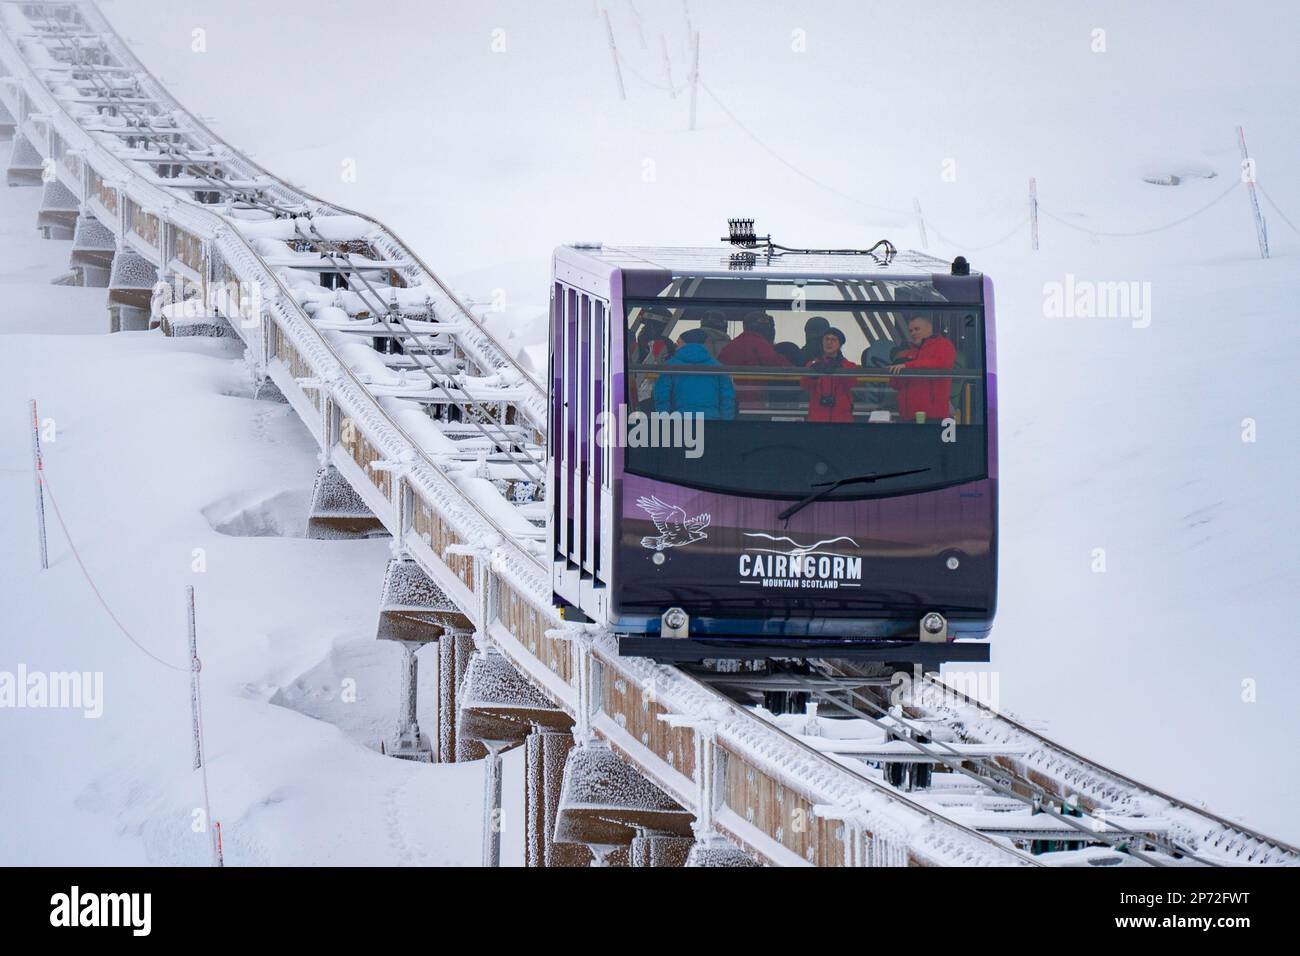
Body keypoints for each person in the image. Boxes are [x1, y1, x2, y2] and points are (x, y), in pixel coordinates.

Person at [718, 311, 793, 412]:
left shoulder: (731, 346)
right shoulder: (760, 344)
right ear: (764, 327)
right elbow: (781, 367)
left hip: (730, 401)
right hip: (753, 401)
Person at [654, 328, 737, 419]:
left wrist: (665, 420)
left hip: (680, 421)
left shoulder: (669, 366)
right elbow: (727, 398)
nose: (676, 347)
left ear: (684, 343)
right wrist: (725, 423)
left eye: (678, 343)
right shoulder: (717, 367)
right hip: (712, 420)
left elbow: (662, 396)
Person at [888, 315, 957, 421]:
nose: (913, 333)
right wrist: (895, 370)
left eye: (917, 329)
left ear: (929, 328)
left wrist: (907, 365)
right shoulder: (910, 352)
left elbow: (940, 363)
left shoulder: (943, 345)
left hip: (933, 416)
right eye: (911, 330)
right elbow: (895, 385)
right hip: (907, 416)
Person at [800, 327, 858, 423]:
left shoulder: (849, 365)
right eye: (826, 339)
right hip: (817, 416)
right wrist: (812, 375)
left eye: (833, 340)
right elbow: (804, 385)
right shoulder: (813, 364)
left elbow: (851, 383)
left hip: (842, 417)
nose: (829, 342)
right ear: (822, 342)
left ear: (840, 344)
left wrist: (840, 368)